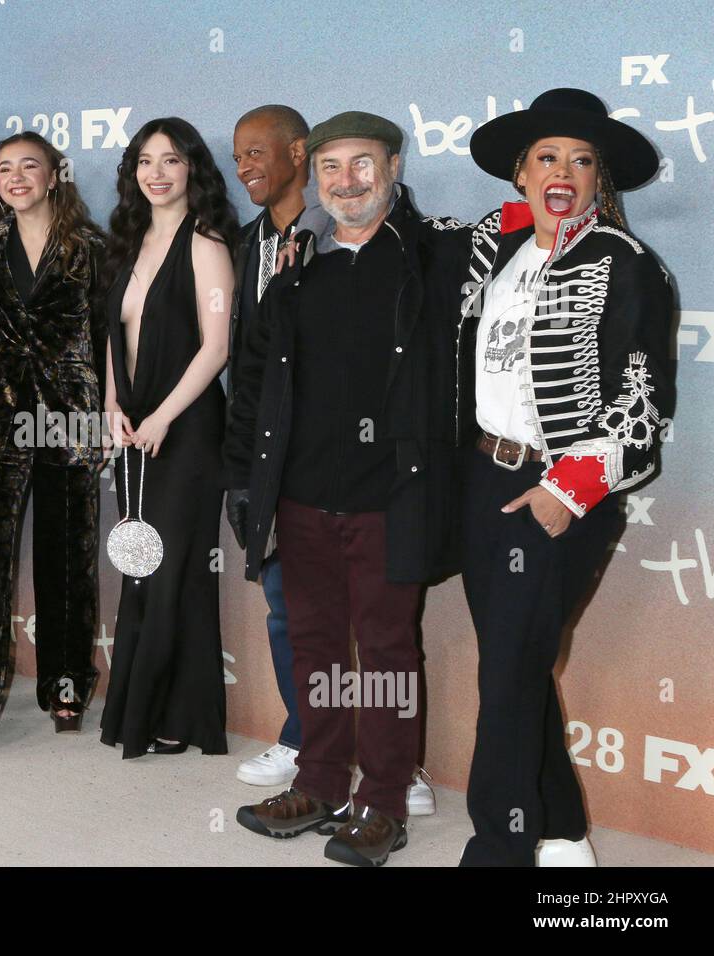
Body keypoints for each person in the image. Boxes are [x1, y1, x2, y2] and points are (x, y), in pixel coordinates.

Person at [225, 112, 461, 866]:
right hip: (300, 497)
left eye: (363, 164)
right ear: (314, 175)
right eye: (331, 166)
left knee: (387, 650)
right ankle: (322, 782)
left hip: (391, 498)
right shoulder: (295, 272)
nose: (346, 181)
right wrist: (244, 482)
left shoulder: (435, 259)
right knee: (317, 644)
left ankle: (384, 800)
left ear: (393, 167)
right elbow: (254, 382)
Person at [455, 88, 672, 867]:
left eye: (582, 162)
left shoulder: (626, 264)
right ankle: (561, 827)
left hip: (560, 490)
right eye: (547, 157)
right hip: (484, 479)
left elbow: (641, 403)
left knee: (511, 671)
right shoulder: (494, 250)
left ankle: (499, 848)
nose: (563, 173)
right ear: (521, 173)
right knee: (512, 665)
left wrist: (565, 492)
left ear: (599, 182)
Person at [0, 131, 107, 755]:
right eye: (5, 168)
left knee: (68, 554)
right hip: (1, 410)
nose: (15, 177)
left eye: (29, 166)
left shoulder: (89, 247)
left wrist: (105, 411)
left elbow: (106, 336)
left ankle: (67, 687)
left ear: (53, 175)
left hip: (71, 414)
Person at [98, 117, 237, 759]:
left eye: (171, 160)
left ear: (193, 170)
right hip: (134, 427)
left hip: (186, 431)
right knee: (141, 566)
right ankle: (147, 710)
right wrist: (111, 403)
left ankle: (179, 715)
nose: (156, 173)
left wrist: (163, 418)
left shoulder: (205, 244)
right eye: (146, 161)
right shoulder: (127, 243)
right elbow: (114, 336)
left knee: (175, 569)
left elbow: (216, 348)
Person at [226, 104, 310, 787]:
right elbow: (243, 366)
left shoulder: (343, 234)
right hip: (260, 457)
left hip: (332, 458)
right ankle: (302, 738)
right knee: (285, 607)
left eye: (256, 152)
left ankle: (393, 763)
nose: (245, 168)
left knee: (372, 620)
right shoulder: (244, 244)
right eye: (238, 158)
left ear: (299, 152)